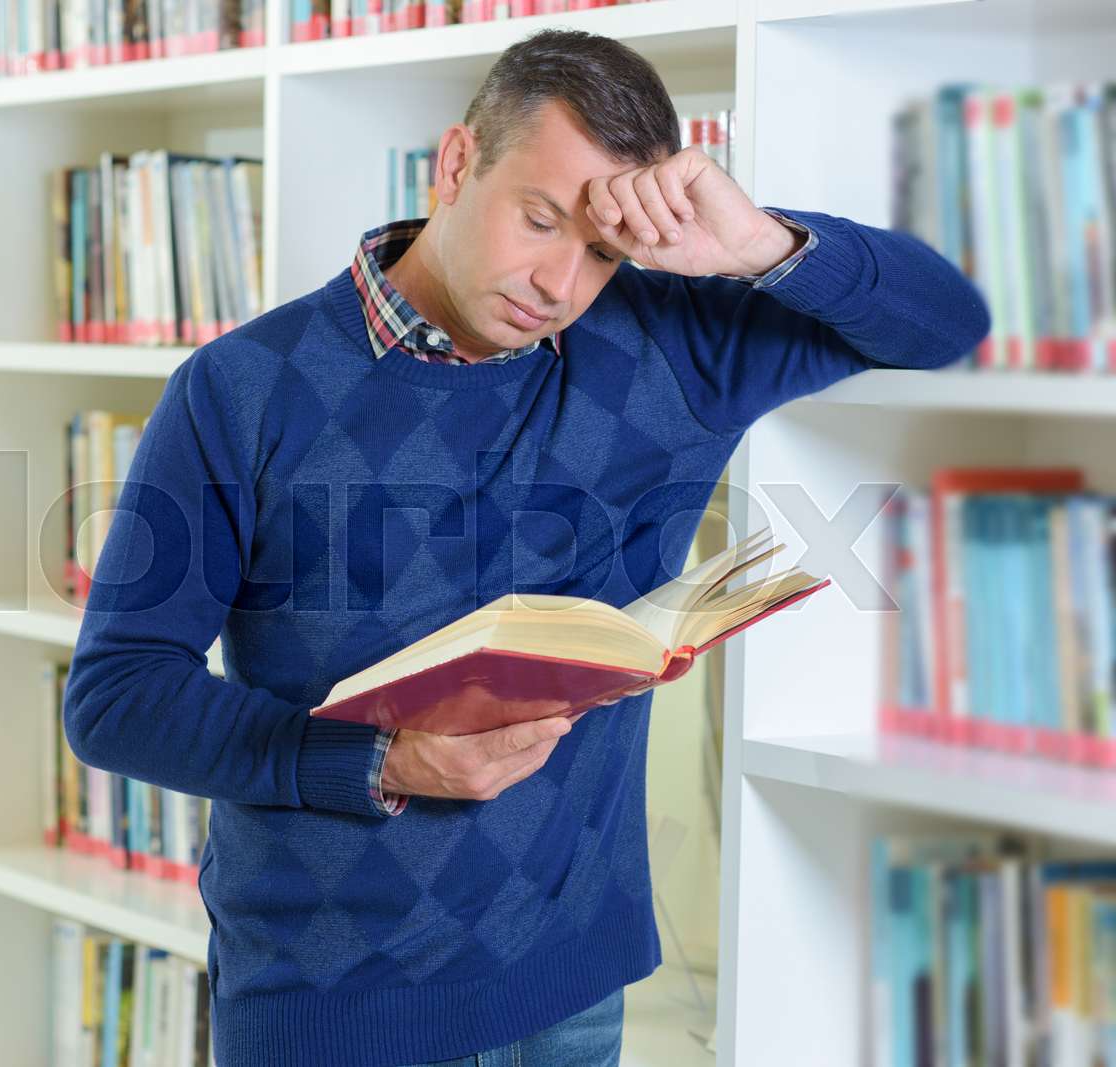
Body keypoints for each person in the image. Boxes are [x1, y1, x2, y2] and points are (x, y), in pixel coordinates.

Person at [62, 27, 989, 1067]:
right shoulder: (242, 388)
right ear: (456, 163)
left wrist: (756, 246)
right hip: (336, 1008)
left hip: (572, 981)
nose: (557, 281)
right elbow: (117, 696)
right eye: (538, 219)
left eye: (598, 249)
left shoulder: (670, 344)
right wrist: (379, 759)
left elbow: (948, 321)